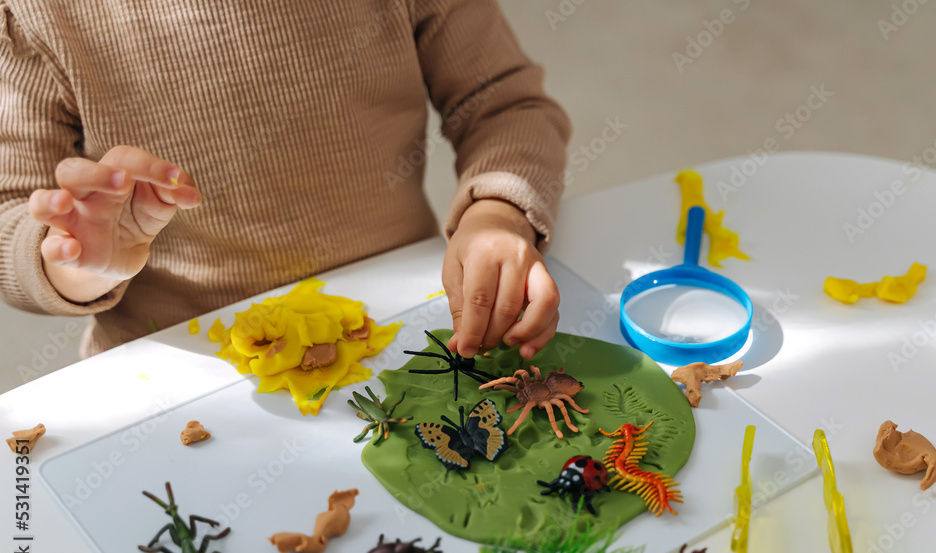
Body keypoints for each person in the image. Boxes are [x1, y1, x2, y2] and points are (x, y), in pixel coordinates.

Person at [0, 0, 571, 361]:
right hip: (175, 365)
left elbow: (505, 102)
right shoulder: (31, 13)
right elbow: (11, 218)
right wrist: (75, 260)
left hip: (402, 327)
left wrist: (496, 212)